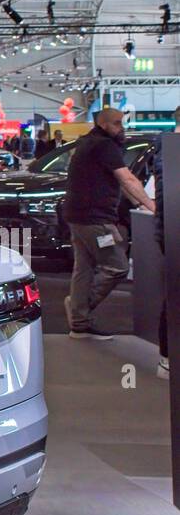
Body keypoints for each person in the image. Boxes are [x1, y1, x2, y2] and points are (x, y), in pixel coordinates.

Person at [63, 107, 155, 340]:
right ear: (104, 125)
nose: (121, 127)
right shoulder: (105, 146)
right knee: (117, 266)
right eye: (116, 123)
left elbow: (122, 183)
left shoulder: (86, 143)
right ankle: (78, 309)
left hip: (77, 216)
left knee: (83, 268)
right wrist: (153, 207)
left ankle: (79, 325)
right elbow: (127, 178)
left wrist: (140, 203)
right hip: (96, 220)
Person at [152, 109, 175, 378]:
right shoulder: (169, 151)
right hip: (172, 233)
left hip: (167, 231)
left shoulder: (163, 149)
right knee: (173, 297)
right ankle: (167, 358)